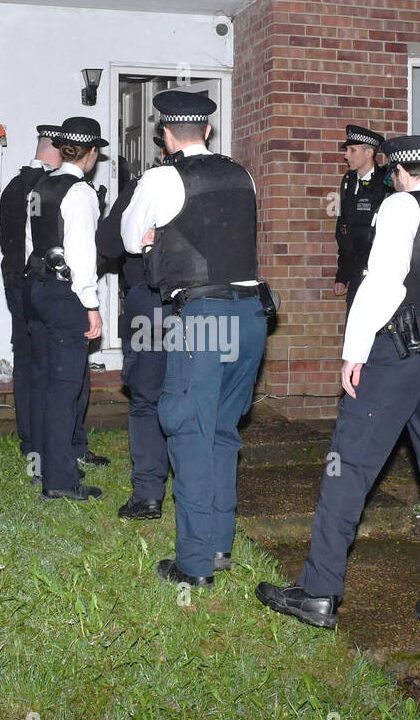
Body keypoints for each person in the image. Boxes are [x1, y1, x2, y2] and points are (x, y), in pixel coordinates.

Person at [256, 135, 420, 630]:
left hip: (398, 350)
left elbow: (381, 281)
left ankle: (318, 593)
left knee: (349, 467)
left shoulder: (401, 207)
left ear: (400, 171)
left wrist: (354, 351)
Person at [120, 91, 269, 587]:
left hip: (203, 316)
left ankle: (194, 564)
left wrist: (152, 240)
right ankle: (221, 546)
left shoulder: (162, 177)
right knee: (224, 432)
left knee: (188, 430)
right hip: (251, 314)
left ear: (165, 135)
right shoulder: (242, 173)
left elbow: (128, 237)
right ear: (207, 130)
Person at [23, 116, 108, 501]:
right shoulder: (81, 192)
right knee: (64, 387)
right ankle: (58, 480)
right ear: (91, 153)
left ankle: (42, 462)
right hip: (64, 295)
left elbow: (34, 242)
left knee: (44, 381)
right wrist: (91, 305)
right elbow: (82, 256)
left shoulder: (41, 185)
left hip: (35, 288)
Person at [96, 136, 178, 520]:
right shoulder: (215, 183)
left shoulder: (146, 184)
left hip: (152, 305)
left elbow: (110, 242)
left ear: (165, 148)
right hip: (204, 308)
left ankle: (148, 494)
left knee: (147, 398)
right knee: (190, 396)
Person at [0, 126, 61, 462]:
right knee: (47, 363)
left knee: (25, 360)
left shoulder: (14, 184)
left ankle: (29, 439)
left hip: (14, 282)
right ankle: (44, 439)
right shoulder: (51, 186)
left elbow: (5, 237)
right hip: (39, 285)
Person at [333, 125, 389, 310]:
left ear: (369, 152)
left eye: (352, 150)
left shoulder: (386, 183)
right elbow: (344, 228)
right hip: (356, 271)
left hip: (378, 272)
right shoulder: (348, 181)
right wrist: (342, 275)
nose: (346, 155)